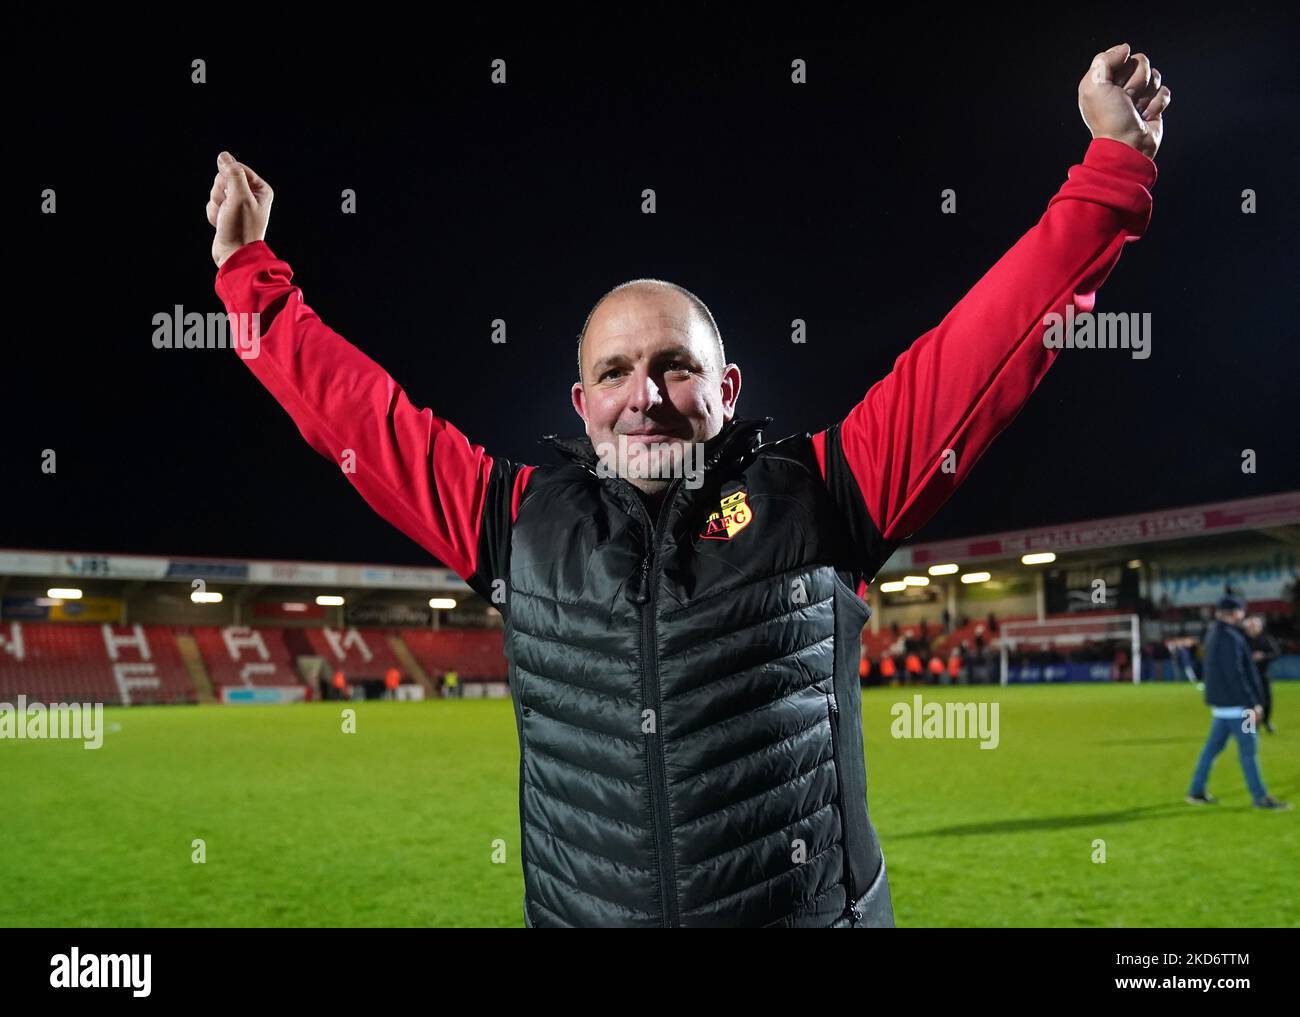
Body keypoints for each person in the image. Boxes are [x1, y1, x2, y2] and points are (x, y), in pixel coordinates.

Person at [207, 44, 1168, 927]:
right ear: (581, 403)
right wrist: (249, 276)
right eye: (617, 373)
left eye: (674, 366)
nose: (646, 398)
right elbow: (358, 418)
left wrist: (1110, 169)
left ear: (727, 388)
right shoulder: (515, 524)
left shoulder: (824, 493)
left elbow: (983, 348)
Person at [1186, 596, 1291, 809]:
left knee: (1212, 749)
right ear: (1235, 613)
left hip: (1222, 707)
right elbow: (1237, 674)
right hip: (1240, 709)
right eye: (1241, 611)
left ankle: (1196, 791)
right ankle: (1260, 797)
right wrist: (1253, 704)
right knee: (1249, 748)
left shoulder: (1214, 633)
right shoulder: (1231, 638)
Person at [1243, 615, 1279, 733]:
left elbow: (1276, 653)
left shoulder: (1266, 639)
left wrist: (1263, 656)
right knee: (1248, 700)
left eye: (1256, 626)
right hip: (1246, 676)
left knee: (1267, 699)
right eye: (1251, 626)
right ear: (1247, 627)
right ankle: (1250, 725)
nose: (1254, 628)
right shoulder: (1241, 640)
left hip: (1263, 674)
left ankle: (1266, 721)